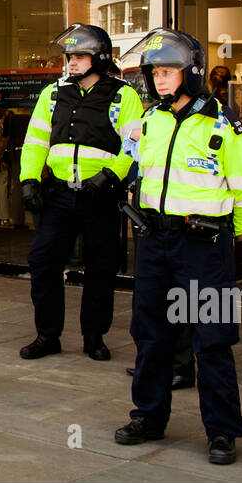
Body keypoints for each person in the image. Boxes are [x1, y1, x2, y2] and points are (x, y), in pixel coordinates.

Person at [114, 28, 242, 465]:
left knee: (211, 339)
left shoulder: (222, 125)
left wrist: (226, 230)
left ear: (191, 73)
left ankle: (222, 431)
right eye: (154, 73)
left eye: (167, 72)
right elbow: (132, 165)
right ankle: (148, 416)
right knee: (150, 335)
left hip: (203, 244)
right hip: (154, 241)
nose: (158, 81)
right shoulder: (151, 121)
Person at [17, 23, 143, 363]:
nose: (71, 63)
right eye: (69, 57)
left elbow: (133, 147)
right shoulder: (53, 93)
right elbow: (35, 142)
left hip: (100, 196)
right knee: (42, 263)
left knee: (101, 268)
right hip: (58, 193)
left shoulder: (122, 95)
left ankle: (94, 336)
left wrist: (108, 177)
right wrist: (29, 180)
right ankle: (47, 335)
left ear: (100, 58)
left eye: (79, 57)